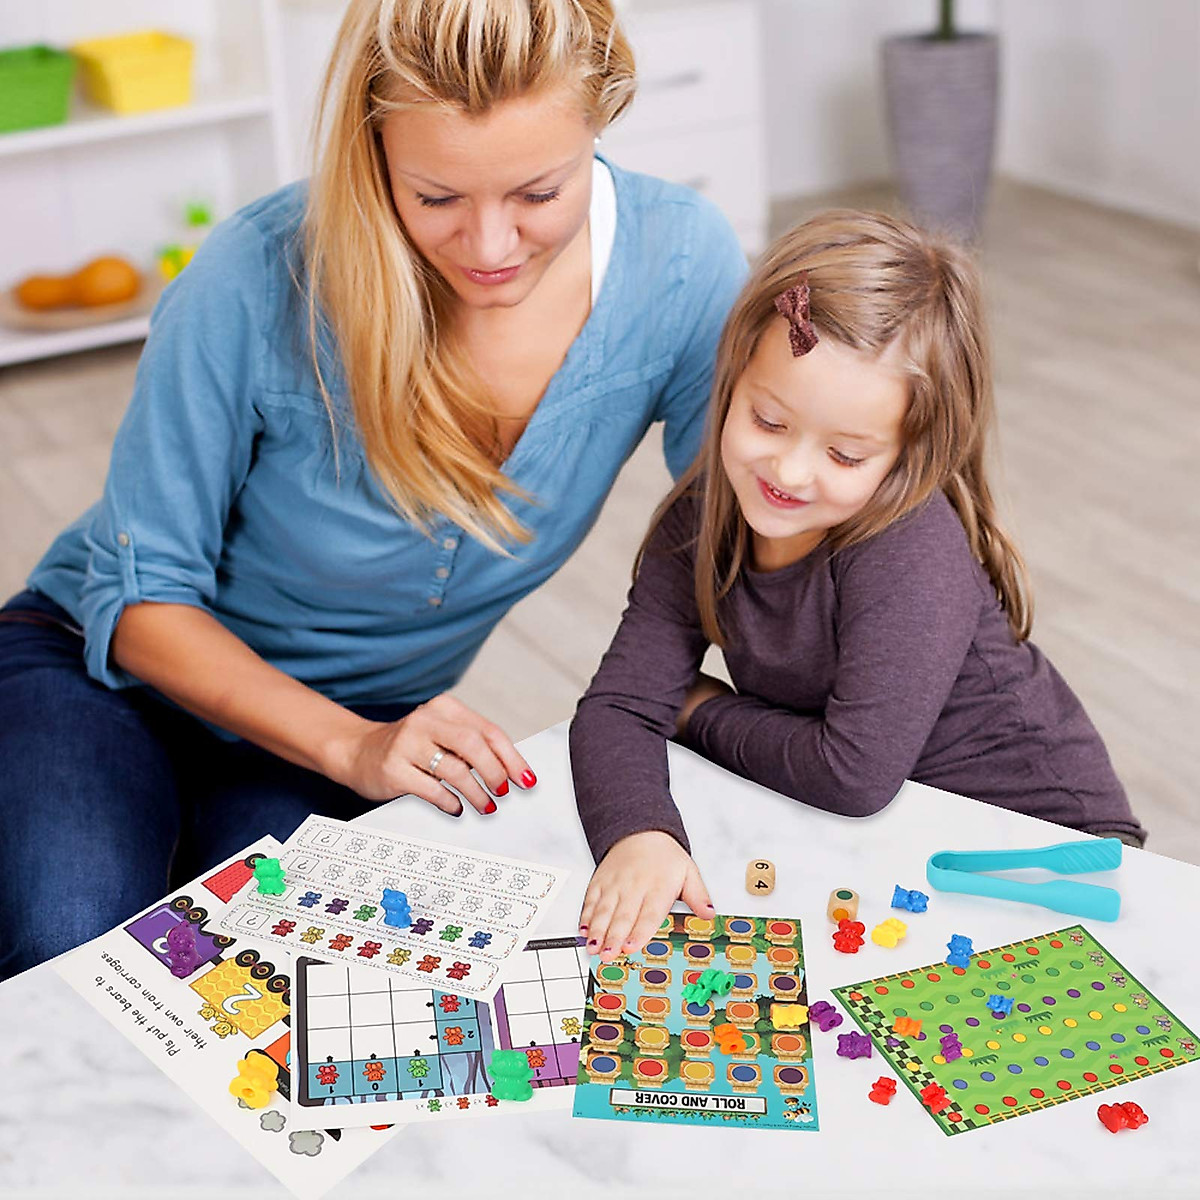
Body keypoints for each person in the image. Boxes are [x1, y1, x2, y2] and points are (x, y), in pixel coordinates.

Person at [0, 0, 748, 981]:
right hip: (99, 677)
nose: (489, 244)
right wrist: (354, 751)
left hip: (338, 729)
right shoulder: (255, 273)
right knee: (69, 945)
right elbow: (140, 597)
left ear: (602, 115)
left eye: (538, 191)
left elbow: (744, 546)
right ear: (373, 145)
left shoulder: (683, 266)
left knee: (303, 984)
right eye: (435, 196)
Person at [570, 209, 1146, 961]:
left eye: (845, 455)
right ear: (732, 380)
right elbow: (618, 706)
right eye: (768, 421)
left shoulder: (906, 547)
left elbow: (851, 774)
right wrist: (639, 830)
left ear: (910, 456)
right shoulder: (704, 514)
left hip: (1039, 848)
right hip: (890, 843)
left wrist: (697, 707)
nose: (790, 472)